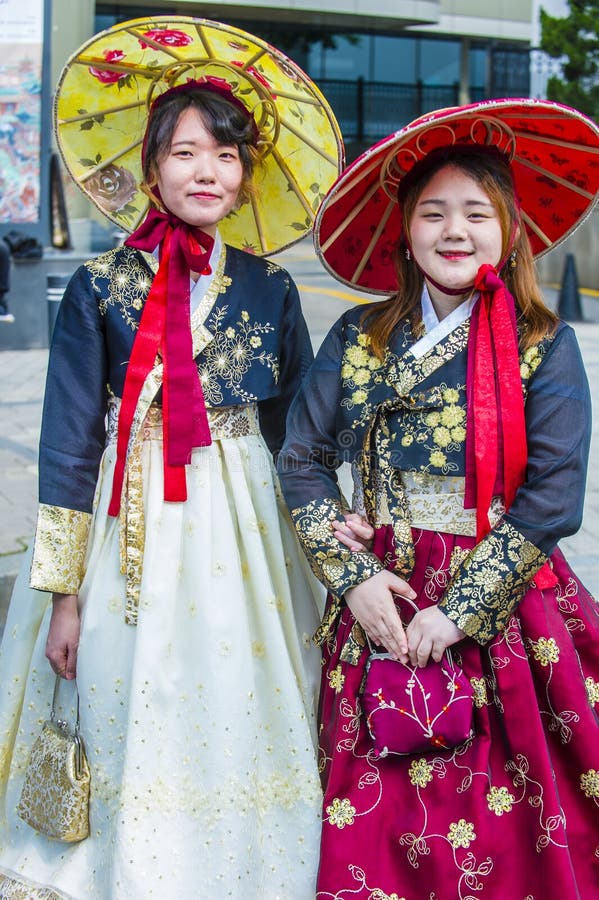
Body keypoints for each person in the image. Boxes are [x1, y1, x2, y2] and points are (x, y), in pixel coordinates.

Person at [0, 16, 344, 897]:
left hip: (243, 532)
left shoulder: (270, 287)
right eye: (185, 152)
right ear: (151, 166)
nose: (206, 171)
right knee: (123, 683)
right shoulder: (100, 284)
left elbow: (295, 433)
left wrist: (328, 536)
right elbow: (70, 439)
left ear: (244, 176)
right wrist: (64, 595)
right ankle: (126, 859)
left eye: (226, 157)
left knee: (244, 688)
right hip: (128, 518)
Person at [277, 98, 599, 898]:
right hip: (381, 595)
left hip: (502, 597)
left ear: (510, 231)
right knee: (371, 813)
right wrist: (350, 579)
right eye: (433, 213)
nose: (454, 231)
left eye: (476, 213)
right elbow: (302, 460)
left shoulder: (543, 345)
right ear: (405, 232)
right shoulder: (356, 336)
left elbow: (553, 499)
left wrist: (457, 612)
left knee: (508, 818)